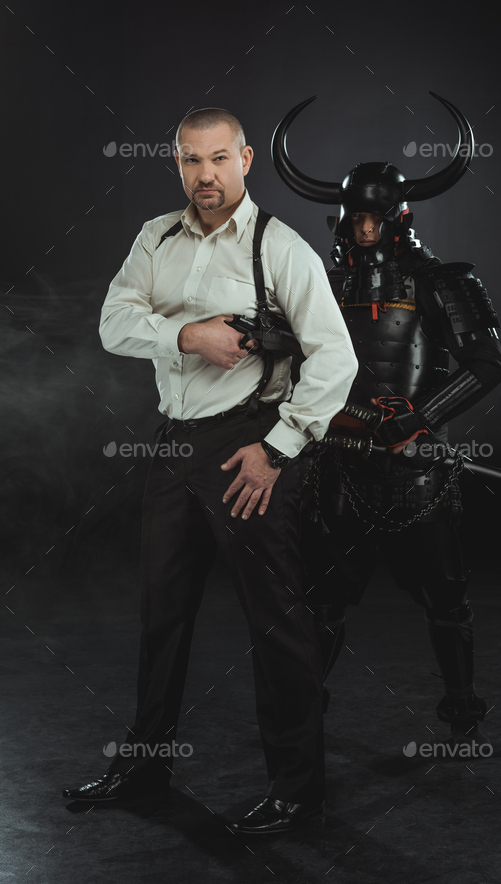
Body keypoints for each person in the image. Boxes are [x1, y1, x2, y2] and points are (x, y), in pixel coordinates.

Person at [62, 106, 358, 835]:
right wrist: (187, 333)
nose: (205, 175)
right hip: (173, 447)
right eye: (191, 161)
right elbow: (113, 323)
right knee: (162, 614)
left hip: (248, 448)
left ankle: (297, 788)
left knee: (276, 621)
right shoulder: (154, 238)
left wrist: (280, 449)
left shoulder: (278, 247)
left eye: (219, 159)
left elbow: (336, 358)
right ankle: (146, 765)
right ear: (177, 164)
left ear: (246, 160)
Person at [271, 93, 501, 747]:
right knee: (322, 602)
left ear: (396, 216)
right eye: (356, 217)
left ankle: (461, 714)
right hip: (342, 468)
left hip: (417, 473)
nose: (364, 228)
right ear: (342, 218)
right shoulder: (321, 287)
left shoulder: (443, 280)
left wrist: (423, 415)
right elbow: (297, 369)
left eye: (374, 217)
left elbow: (488, 364)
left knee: (445, 600)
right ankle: (304, 713)